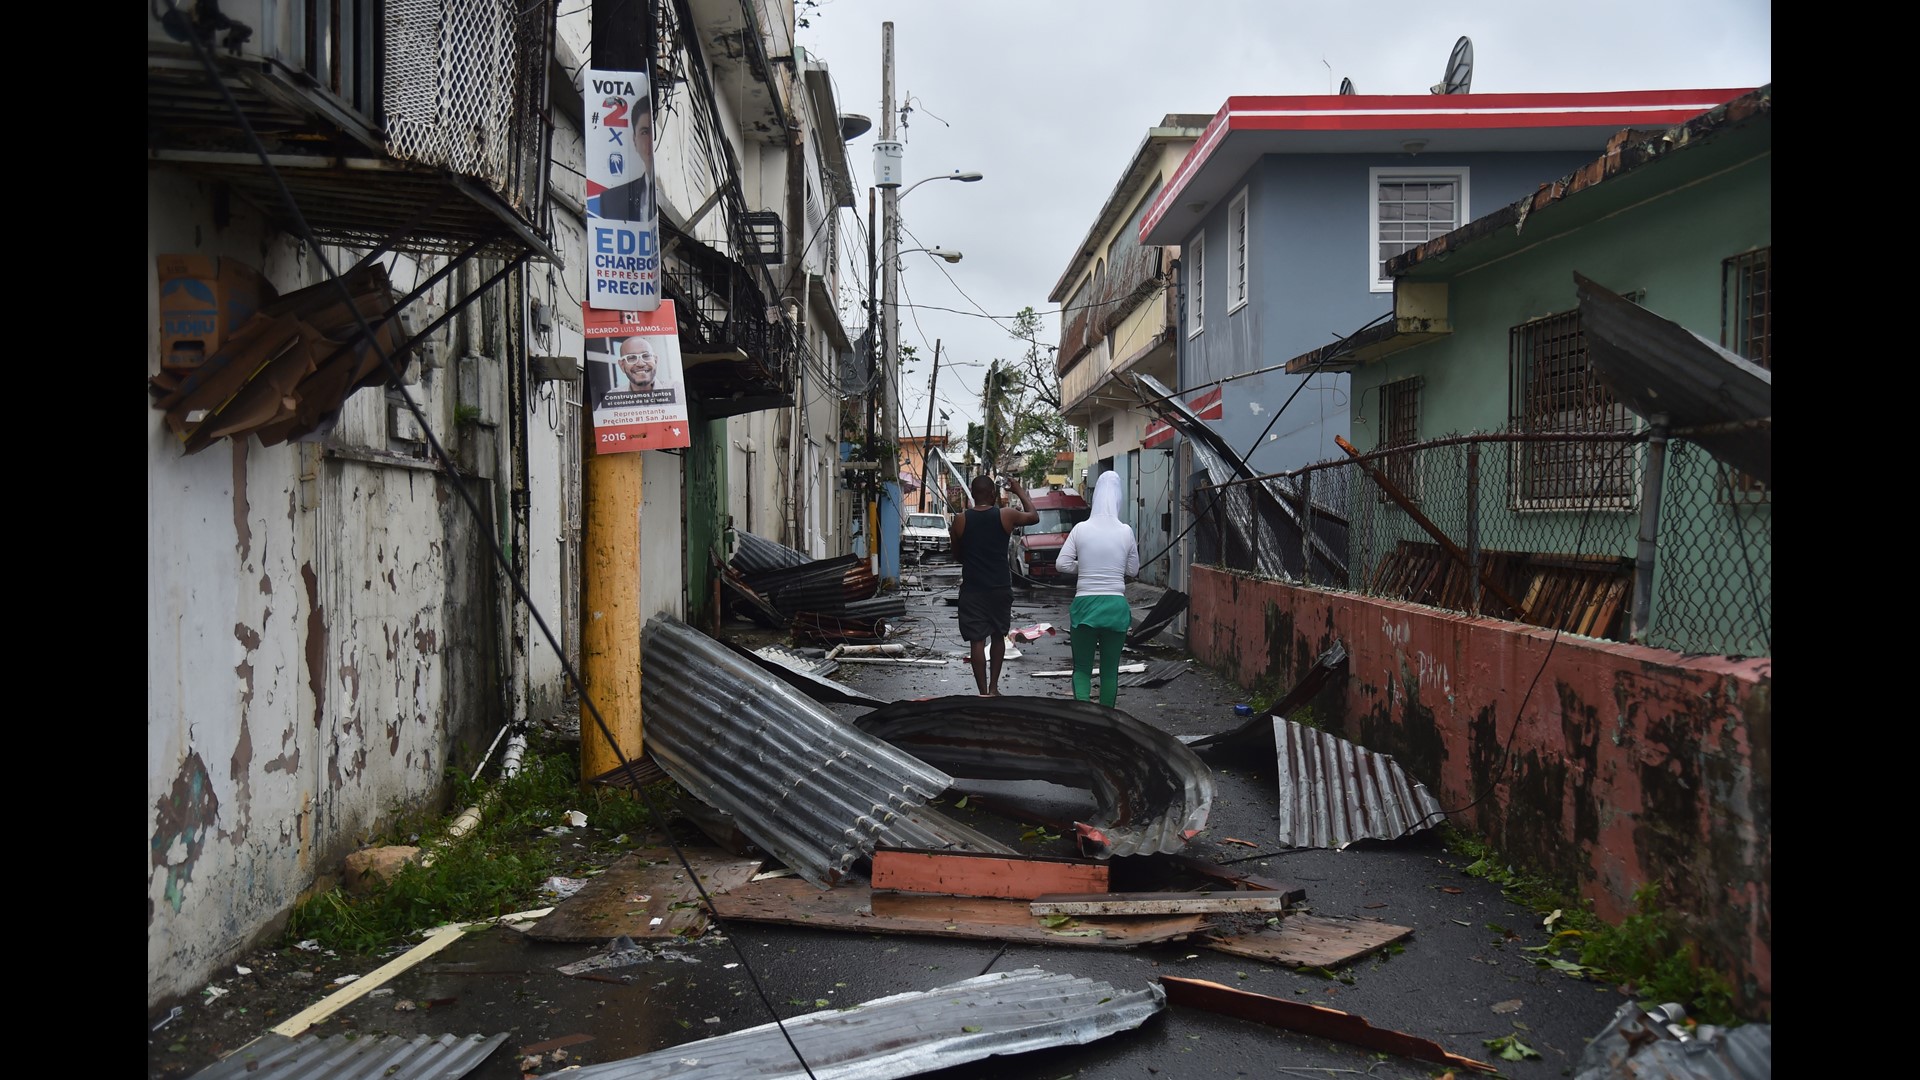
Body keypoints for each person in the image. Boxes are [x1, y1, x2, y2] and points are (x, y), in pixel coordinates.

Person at [1054, 471, 1140, 708]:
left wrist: (1084, 566)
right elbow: (1133, 570)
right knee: (1109, 671)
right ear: (1118, 497)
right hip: (1115, 607)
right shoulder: (1125, 531)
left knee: (1082, 668)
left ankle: (1085, 719)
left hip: (1085, 606)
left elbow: (1061, 564)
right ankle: (1107, 720)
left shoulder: (1081, 529)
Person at [949, 474, 1039, 696]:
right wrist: (1018, 490)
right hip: (999, 587)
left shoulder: (961, 520)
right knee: (998, 636)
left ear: (972, 492)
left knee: (977, 640)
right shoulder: (1005, 515)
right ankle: (994, 688)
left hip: (972, 589)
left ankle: (982, 692)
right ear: (993, 494)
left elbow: (956, 555)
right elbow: (1034, 517)